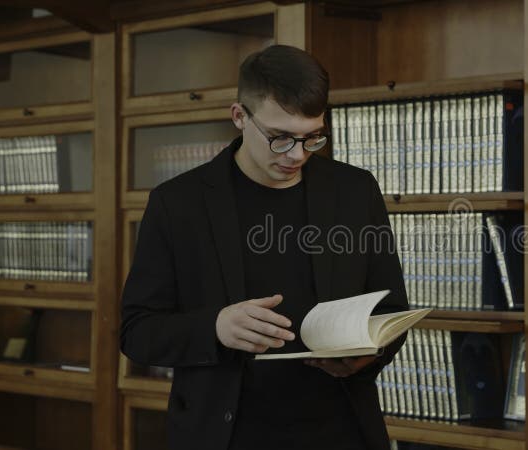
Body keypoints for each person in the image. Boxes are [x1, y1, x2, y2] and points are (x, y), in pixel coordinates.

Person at [120, 45, 408, 450]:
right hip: (226, 435)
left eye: (312, 138)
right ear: (239, 116)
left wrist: (368, 356)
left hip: (341, 431)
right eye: (279, 138)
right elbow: (137, 331)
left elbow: (391, 308)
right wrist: (215, 328)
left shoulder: (356, 190)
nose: (296, 156)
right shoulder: (177, 203)